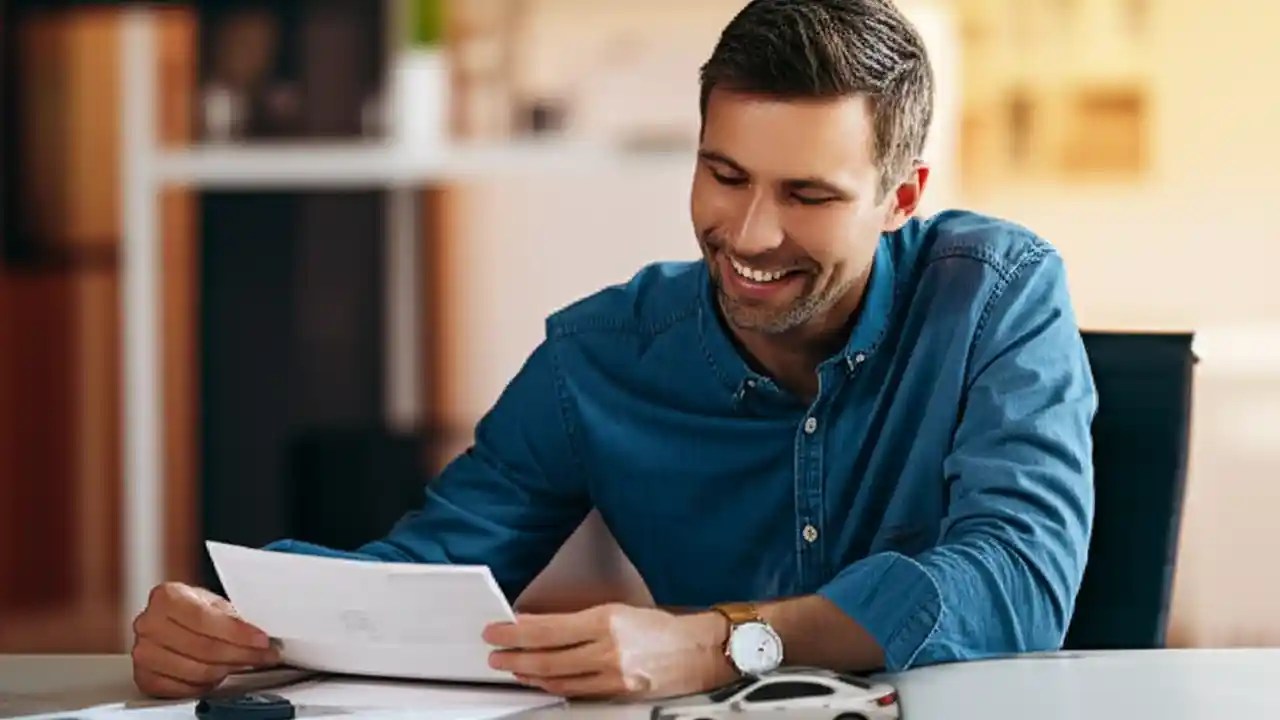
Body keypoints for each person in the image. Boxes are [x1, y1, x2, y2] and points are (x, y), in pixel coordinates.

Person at [131, 0, 1096, 702]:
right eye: (724, 175)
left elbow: (1017, 584)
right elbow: (421, 582)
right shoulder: (598, 361)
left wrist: (721, 645)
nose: (751, 233)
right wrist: (238, 628)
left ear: (901, 197)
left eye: (807, 195)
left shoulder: (997, 295)